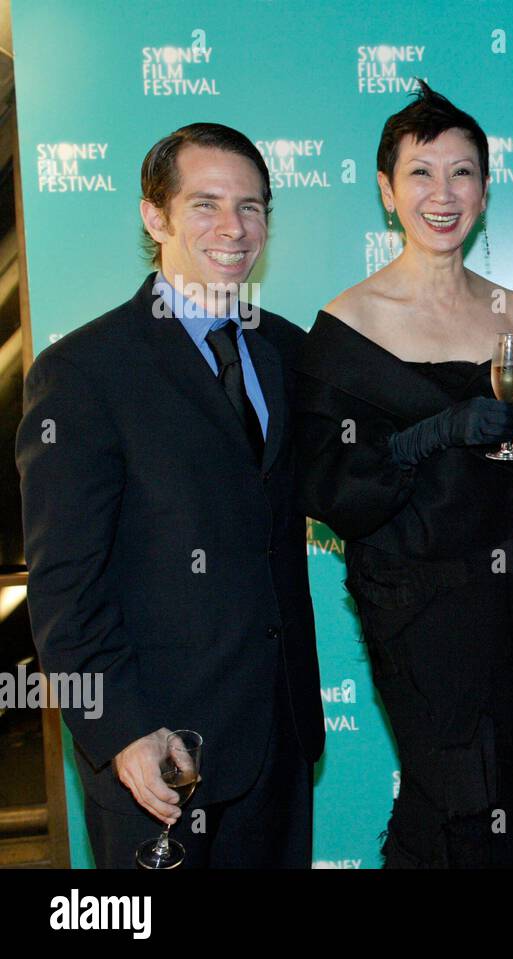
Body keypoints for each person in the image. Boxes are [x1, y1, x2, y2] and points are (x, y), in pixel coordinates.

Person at [17, 123, 323, 868]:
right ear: (154, 217)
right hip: (159, 753)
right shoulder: (83, 372)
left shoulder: (286, 349)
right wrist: (122, 729)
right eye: (206, 204)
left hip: (278, 742)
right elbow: (63, 588)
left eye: (252, 207)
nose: (234, 228)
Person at [293, 82, 513, 868]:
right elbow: (334, 490)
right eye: (422, 174)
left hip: (508, 585)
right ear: (386, 190)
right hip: (413, 596)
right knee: (453, 787)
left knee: (507, 786)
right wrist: (435, 431)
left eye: (462, 173)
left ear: (485, 187)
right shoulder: (346, 325)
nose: (444, 194)